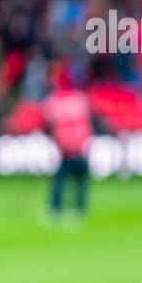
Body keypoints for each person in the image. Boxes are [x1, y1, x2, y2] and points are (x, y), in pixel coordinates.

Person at [42, 68, 93, 222]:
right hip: (81, 146)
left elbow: (50, 125)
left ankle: (55, 209)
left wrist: (57, 142)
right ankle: (79, 209)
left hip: (67, 148)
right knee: (81, 180)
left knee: (59, 180)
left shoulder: (53, 101)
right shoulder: (79, 98)